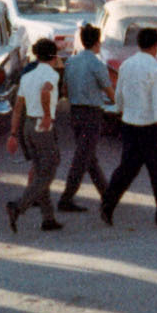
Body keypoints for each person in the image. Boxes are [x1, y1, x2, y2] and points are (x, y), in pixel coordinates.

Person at [98, 27, 157, 227]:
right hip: (150, 126)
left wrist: (123, 111)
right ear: (155, 46)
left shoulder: (127, 65)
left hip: (129, 123)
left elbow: (119, 95)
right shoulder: (156, 70)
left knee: (127, 169)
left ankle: (108, 203)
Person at [5, 37, 63, 232]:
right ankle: (19, 205)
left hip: (28, 125)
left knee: (40, 170)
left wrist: (13, 133)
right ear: (53, 56)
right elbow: (46, 92)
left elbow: (18, 108)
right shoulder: (51, 74)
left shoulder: (27, 76)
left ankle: (48, 217)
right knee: (49, 170)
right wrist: (47, 115)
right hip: (42, 124)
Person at [57, 23, 113, 213]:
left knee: (88, 156)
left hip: (75, 111)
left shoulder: (71, 62)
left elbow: (64, 89)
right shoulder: (97, 64)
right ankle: (66, 198)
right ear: (97, 42)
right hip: (92, 112)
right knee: (82, 157)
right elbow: (109, 90)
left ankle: (107, 194)